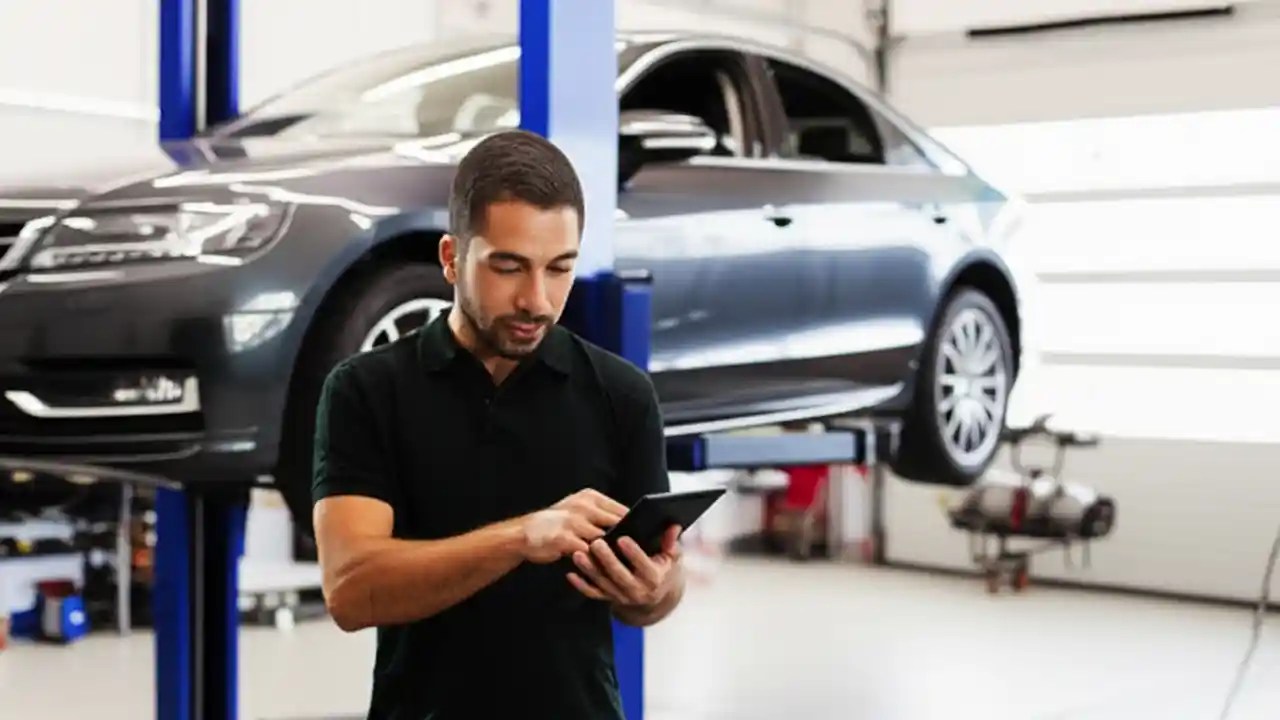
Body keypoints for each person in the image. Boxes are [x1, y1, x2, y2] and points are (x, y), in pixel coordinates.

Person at [311, 129, 685, 719]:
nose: (536, 299)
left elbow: (658, 591)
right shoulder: (367, 391)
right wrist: (520, 539)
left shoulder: (622, 395)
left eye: (559, 269)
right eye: (509, 268)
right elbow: (351, 591)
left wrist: (652, 591)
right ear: (451, 258)